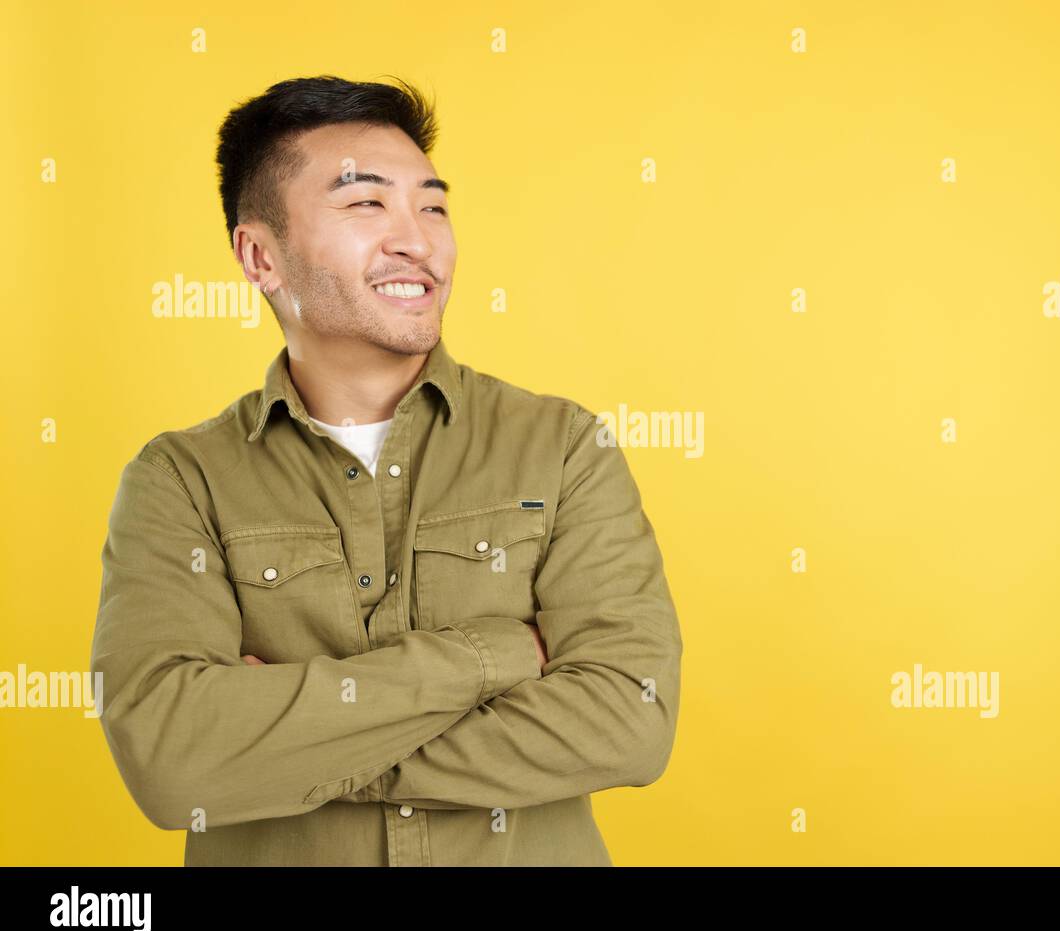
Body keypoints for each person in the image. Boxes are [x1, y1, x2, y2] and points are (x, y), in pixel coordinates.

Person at [90, 75, 682, 866]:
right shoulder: (179, 480)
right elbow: (174, 762)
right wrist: (495, 657)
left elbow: (629, 721)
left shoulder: (565, 444)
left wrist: (290, 750)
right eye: (367, 204)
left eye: (433, 206)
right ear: (260, 255)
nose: (418, 239)